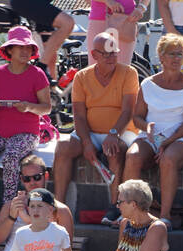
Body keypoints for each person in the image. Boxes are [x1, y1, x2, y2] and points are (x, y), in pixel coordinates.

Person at [53, 30, 141, 224]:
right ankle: (57, 206)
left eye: (114, 52)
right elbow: (79, 115)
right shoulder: (82, 77)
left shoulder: (129, 73)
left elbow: (128, 111)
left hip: (121, 130)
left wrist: (113, 133)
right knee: (63, 147)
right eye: (106, 53)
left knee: (114, 150)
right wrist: (86, 142)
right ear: (94, 55)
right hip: (91, 132)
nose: (111, 57)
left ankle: (115, 206)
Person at [0, 25, 53, 215]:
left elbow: (47, 107)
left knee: (11, 157)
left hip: (27, 133)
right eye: (20, 47)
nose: (25, 51)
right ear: (9, 50)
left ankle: (8, 205)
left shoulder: (37, 75)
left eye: (28, 48)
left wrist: (29, 107)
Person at [123, 33, 183, 224]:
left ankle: (164, 217)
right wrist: (147, 127)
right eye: (172, 53)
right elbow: (137, 117)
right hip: (151, 136)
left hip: (180, 138)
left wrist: (165, 143)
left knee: (168, 159)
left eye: (180, 54)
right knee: (132, 156)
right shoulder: (148, 84)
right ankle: (127, 213)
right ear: (161, 56)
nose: (176, 58)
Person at [7, 0, 77, 81]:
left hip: (39, 3)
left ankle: (51, 89)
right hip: (28, 2)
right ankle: (41, 67)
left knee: (50, 53)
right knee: (67, 23)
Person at [86, 0, 148, 65]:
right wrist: (108, 1)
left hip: (126, 21)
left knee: (122, 69)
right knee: (95, 68)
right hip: (99, 19)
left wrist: (141, 8)